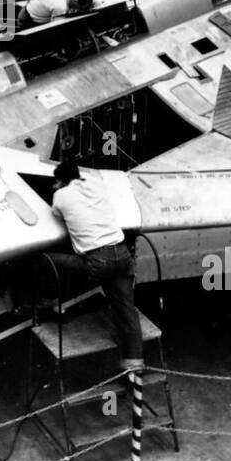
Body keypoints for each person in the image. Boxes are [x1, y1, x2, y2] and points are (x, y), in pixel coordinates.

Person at [46, 160, 145, 374]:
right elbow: (88, 181)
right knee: (126, 308)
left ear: (60, 181)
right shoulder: (96, 185)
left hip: (97, 261)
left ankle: (51, 300)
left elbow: (56, 214)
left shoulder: (60, 196)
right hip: (122, 254)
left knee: (47, 259)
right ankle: (134, 361)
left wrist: (59, 189)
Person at [18, 0, 94, 28]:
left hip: (34, 6)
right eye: (80, 8)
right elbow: (57, 30)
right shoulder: (60, 7)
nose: (79, 10)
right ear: (75, 1)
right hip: (28, 19)